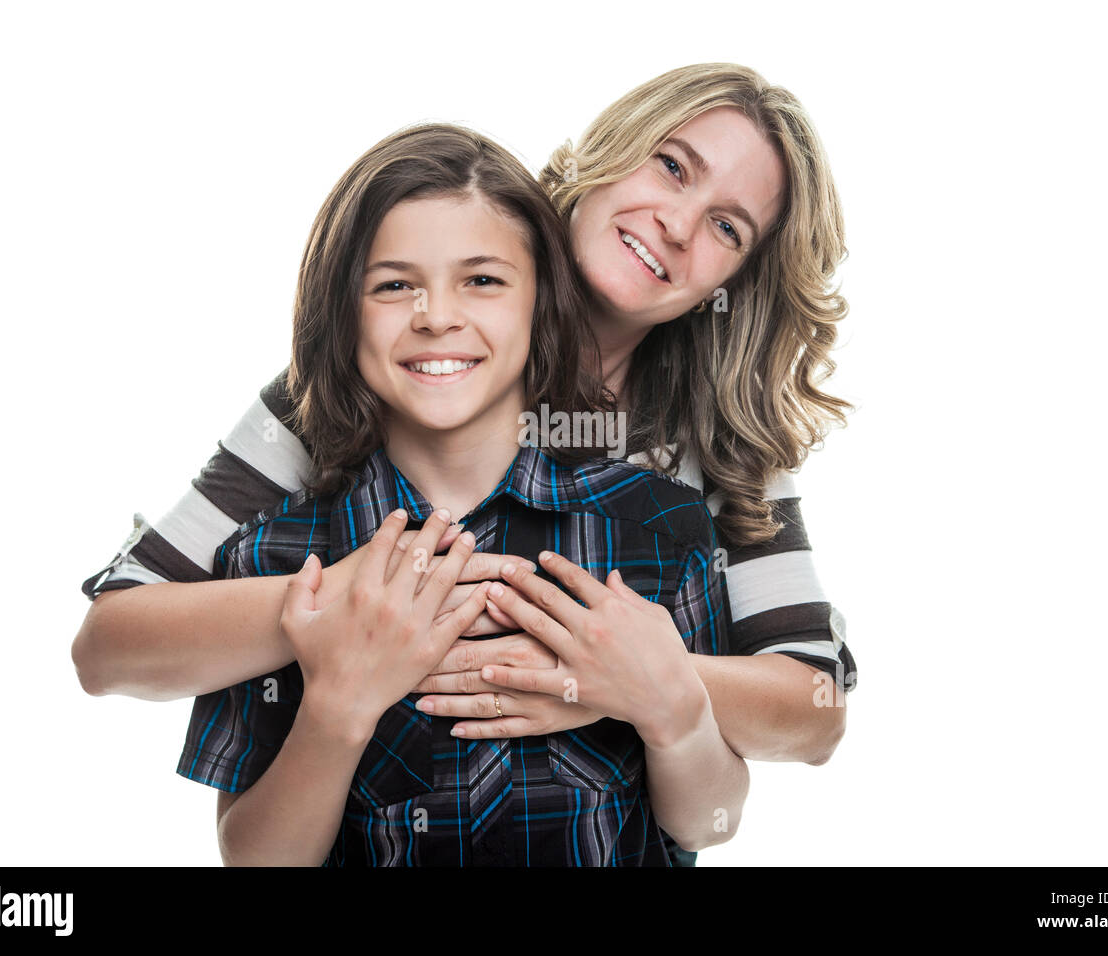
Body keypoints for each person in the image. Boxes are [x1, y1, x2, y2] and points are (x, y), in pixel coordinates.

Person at [73, 62, 857, 861]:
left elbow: (815, 708)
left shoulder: (713, 447)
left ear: (737, 281)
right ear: (611, 148)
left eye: (728, 227)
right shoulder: (366, 375)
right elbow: (110, 643)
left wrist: (607, 674)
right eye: (671, 165)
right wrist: (343, 610)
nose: (679, 225)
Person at [181, 122, 745, 866]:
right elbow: (255, 859)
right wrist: (337, 711)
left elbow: (710, 823)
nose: (437, 315)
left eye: (482, 280)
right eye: (393, 285)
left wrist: (674, 709)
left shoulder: (663, 529)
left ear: (542, 304)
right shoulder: (271, 557)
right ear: (341, 311)